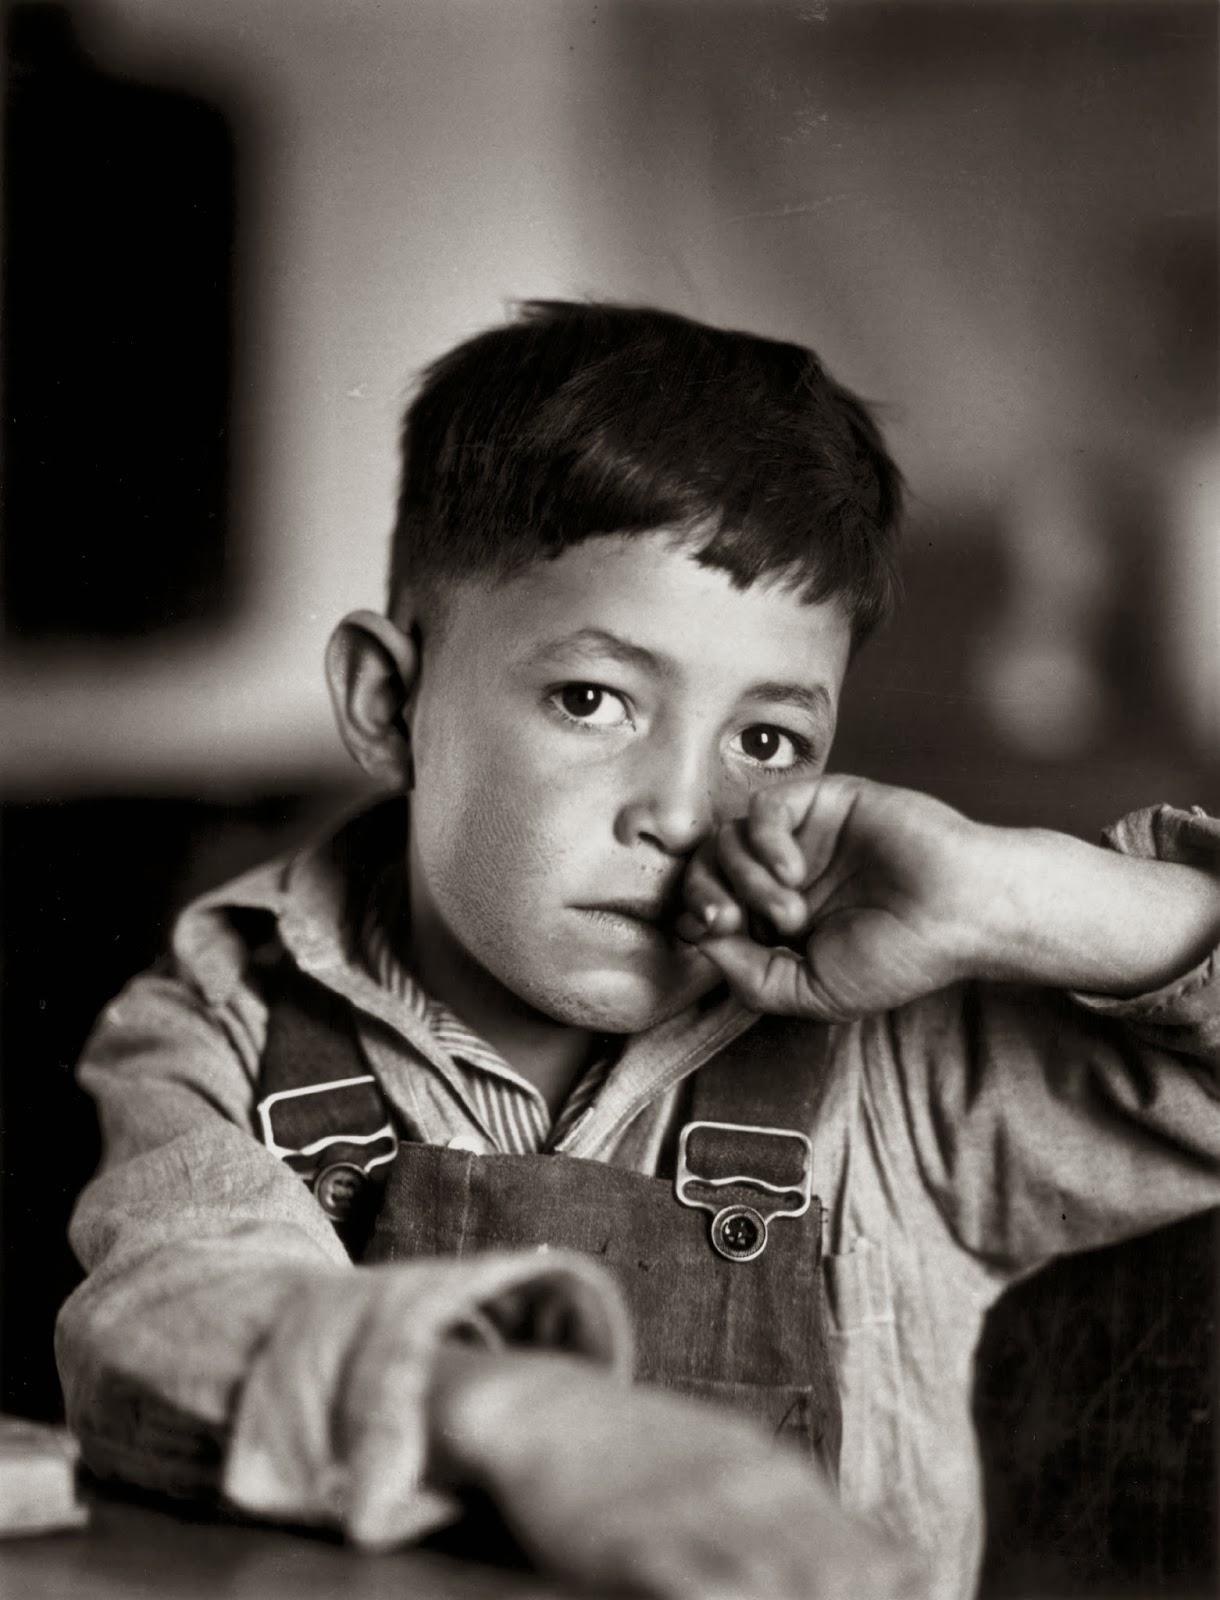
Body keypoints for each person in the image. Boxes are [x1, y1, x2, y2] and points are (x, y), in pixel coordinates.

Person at [55, 301, 1220, 1600]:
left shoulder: (893, 1074)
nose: (680, 810)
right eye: (594, 699)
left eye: (766, 741)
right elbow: (163, 1321)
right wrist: (530, 1420)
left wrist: (1007, 895)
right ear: (391, 705)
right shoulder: (223, 1019)